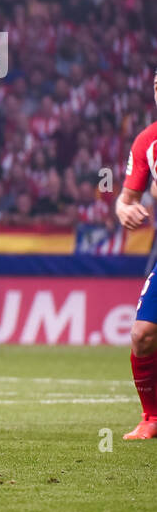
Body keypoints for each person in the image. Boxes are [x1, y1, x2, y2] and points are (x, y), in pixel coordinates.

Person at [113, 69, 157, 440]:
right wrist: (124, 210)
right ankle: (151, 418)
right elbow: (126, 199)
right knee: (142, 334)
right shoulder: (147, 141)